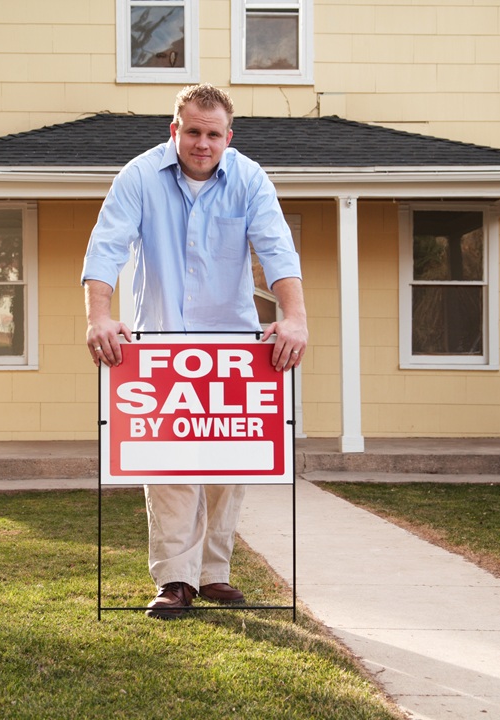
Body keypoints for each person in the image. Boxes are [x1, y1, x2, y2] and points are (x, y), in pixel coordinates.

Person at [81, 83, 308, 620]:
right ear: (174, 130)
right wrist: (98, 317)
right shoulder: (137, 176)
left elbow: (276, 246)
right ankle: (176, 580)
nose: (202, 143)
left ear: (227, 137)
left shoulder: (250, 178)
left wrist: (295, 317)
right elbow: (106, 247)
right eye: (192, 131)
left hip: (233, 345)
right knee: (170, 465)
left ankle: (214, 574)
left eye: (213, 134)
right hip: (161, 341)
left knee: (228, 465)